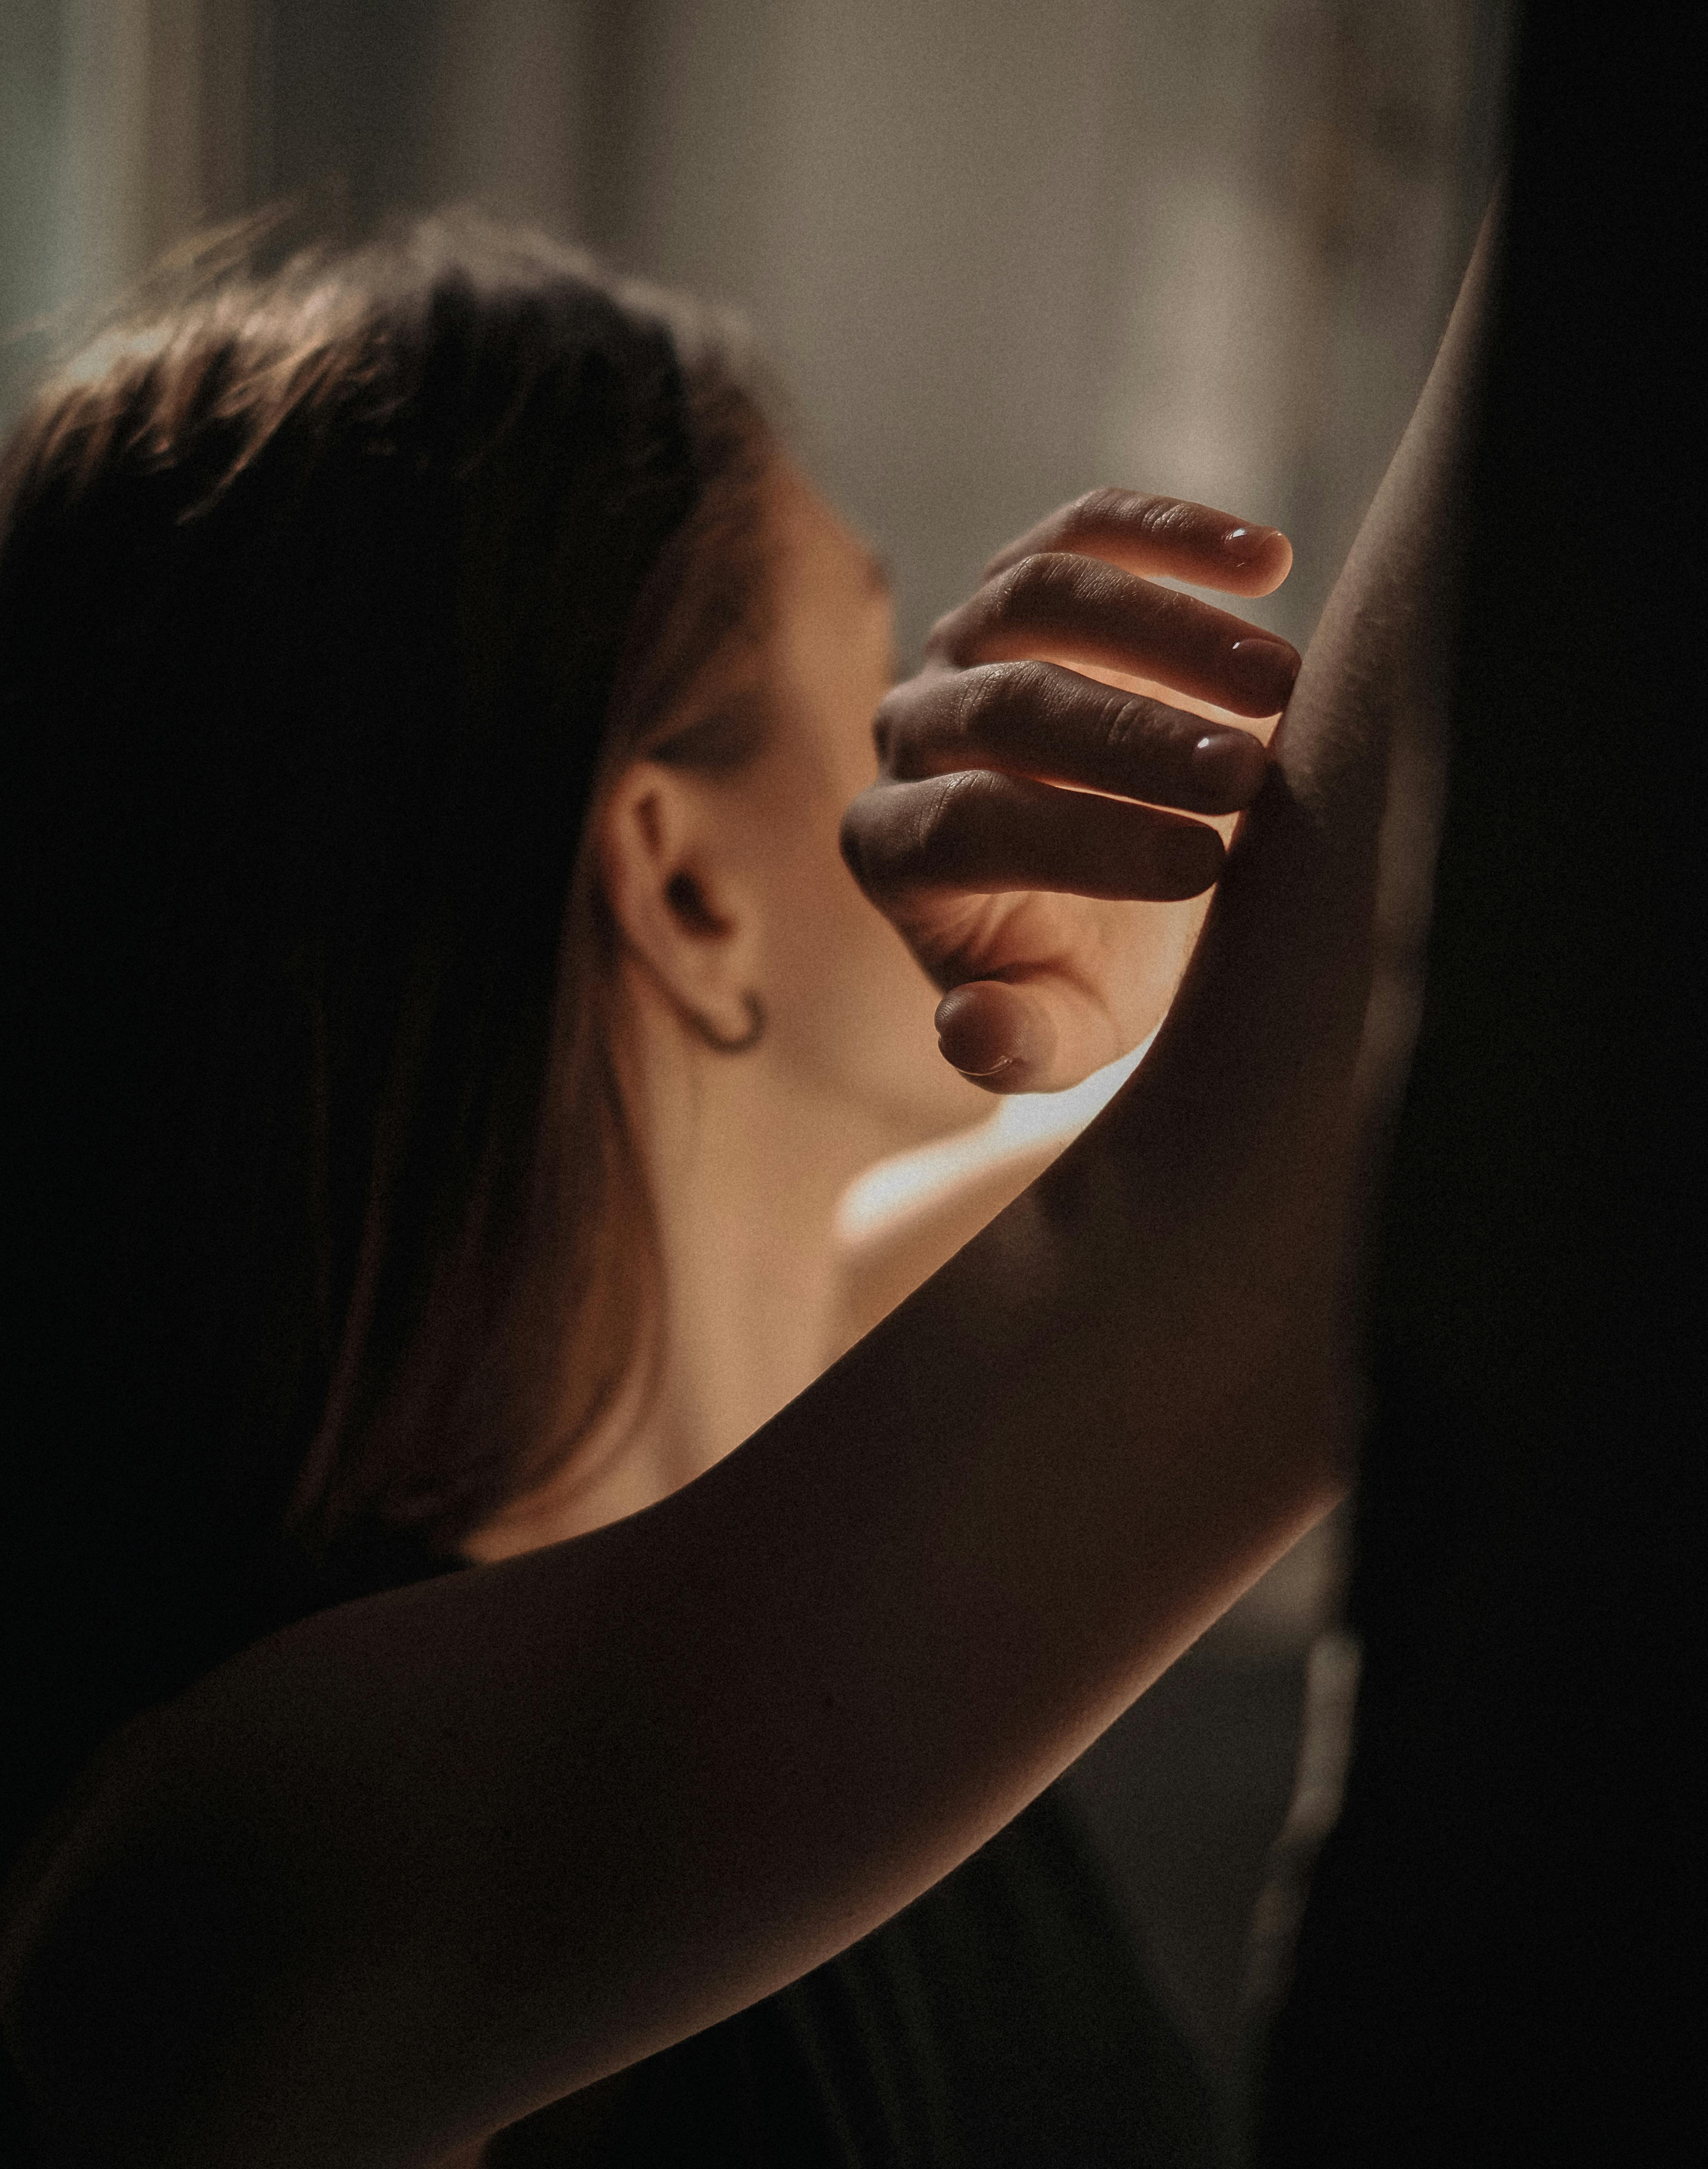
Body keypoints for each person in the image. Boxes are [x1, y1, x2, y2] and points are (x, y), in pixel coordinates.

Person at [0, 202, 1492, 2167]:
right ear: (682, 884)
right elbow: (1290, 1193)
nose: (920, 745)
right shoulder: (240, 1878)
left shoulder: (807, 1341)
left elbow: (1348, 1112)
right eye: (866, 665)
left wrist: (1158, 976)